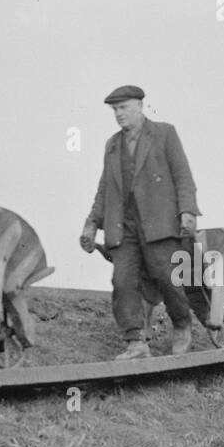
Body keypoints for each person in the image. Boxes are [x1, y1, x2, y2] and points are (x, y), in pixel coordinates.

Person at [80, 86, 200, 360]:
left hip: (159, 223)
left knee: (167, 278)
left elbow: (183, 175)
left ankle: (181, 324)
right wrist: (91, 223)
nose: (119, 114)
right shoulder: (112, 145)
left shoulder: (164, 133)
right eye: (115, 110)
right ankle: (136, 341)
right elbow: (105, 189)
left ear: (140, 105)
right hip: (124, 227)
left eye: (123, 108)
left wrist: (187, 211)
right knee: (122, 282)